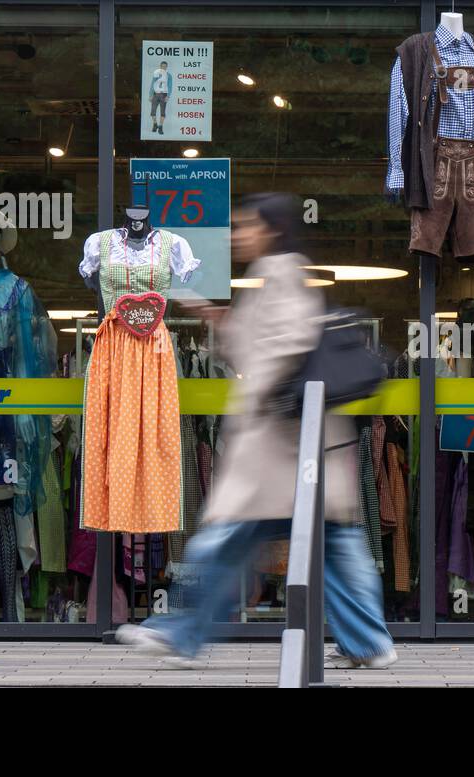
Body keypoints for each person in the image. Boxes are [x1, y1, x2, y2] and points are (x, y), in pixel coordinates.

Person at [117, 193, 397, 669]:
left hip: (282, 446)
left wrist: (259, 391)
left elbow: (287, 343)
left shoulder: (284, 272)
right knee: (328, 550)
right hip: (295, 447)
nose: (236, 234)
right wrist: (220, 321)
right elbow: (267, 345)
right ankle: (369, 642)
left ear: (269, 229)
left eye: (244, 225)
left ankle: (183, 633)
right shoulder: (275, 275)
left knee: (225, 542)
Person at [150, 60, 170, 134]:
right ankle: (155, 124)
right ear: (160, 66)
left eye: (165, 66)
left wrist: (168, 96)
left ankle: (161, 127)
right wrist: (151, 95)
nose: (163, 67)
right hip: (155, 94)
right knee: (153, 110)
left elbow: (170, 86)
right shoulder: (156, 74)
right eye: (162, 66)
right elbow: (152, 84)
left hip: (163, 94)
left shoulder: (169, 75)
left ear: (166, 67)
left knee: (162, 111)